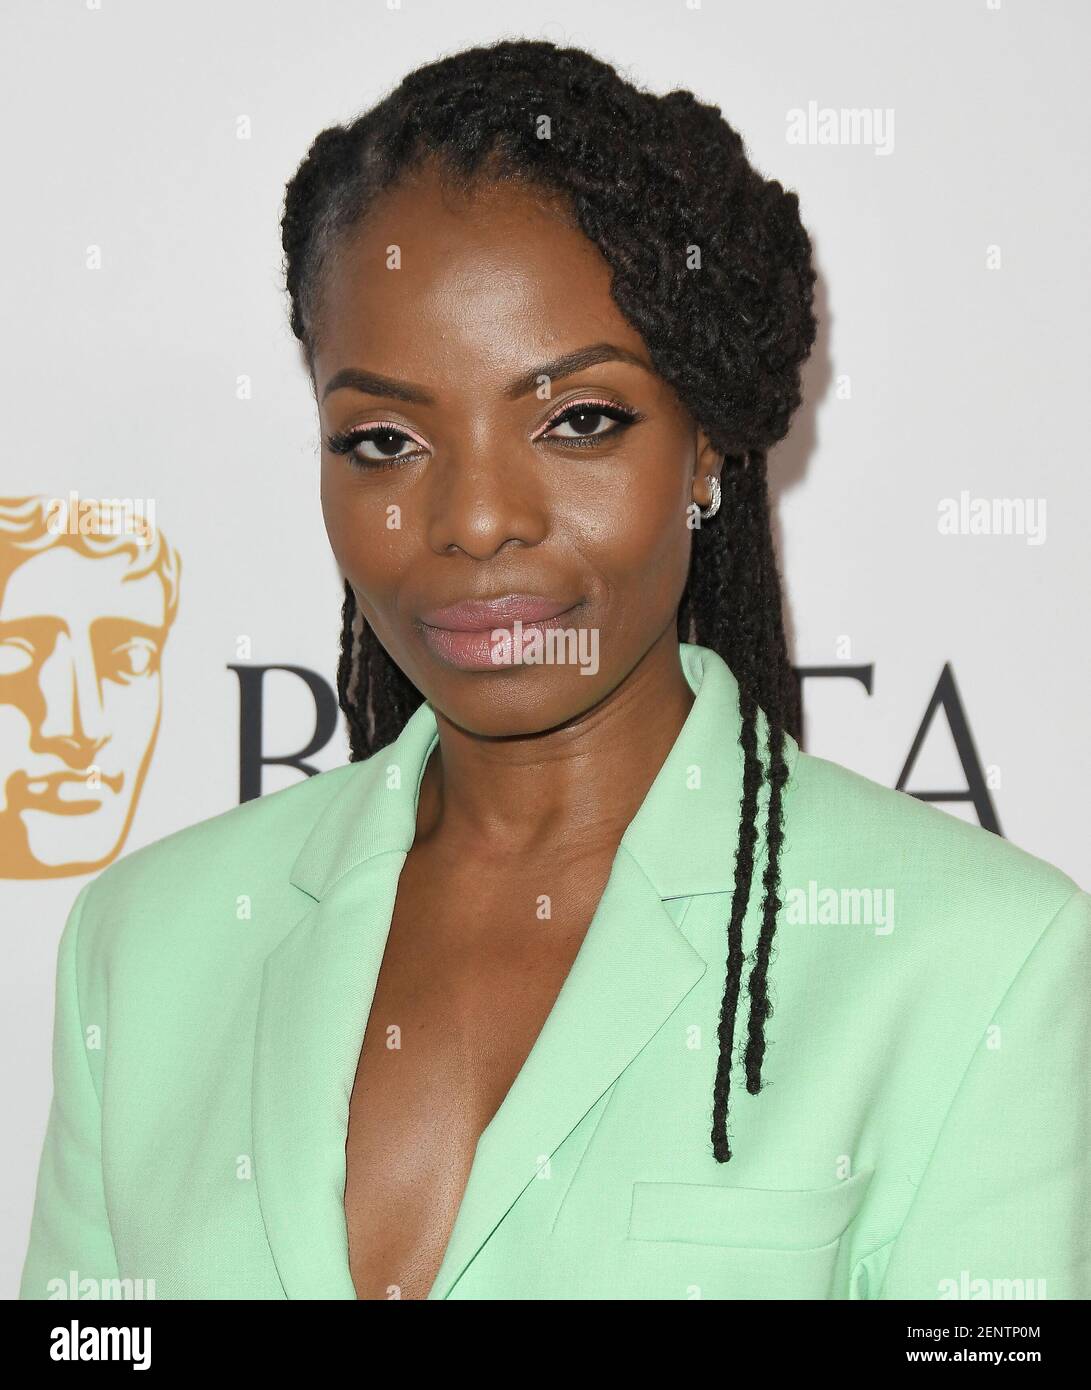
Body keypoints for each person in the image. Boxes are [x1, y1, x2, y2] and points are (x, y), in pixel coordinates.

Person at [20, 38, 1089, 1302]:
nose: (475, 518)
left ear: (703, 452)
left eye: (576, 419)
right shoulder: (145, 948)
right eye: (383, 438)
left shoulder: (974, 963)